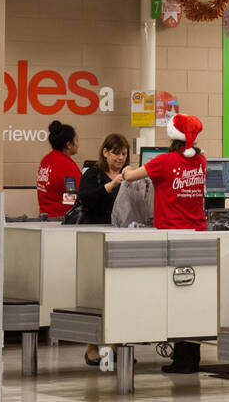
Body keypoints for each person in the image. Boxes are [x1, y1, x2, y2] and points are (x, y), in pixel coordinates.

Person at [121, 113, 207, 373]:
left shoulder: (163, 161)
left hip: (172, 237)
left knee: (177, 297)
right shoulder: (201, 160)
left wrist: (125, 169)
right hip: (197, 235)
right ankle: (191, 356)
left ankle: (182, 361)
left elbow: (130, 177)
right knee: (194, 299)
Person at [77, 133, 129, 367]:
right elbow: (86, 200)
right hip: (95, 237)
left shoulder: (129, 175)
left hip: (121, 238)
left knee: (120, 295)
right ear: (105, 152)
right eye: (116, 152)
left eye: (124, 153)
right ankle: (91, 347)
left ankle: (117, 345)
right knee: (97, 295)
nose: (120, 157)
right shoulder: (92, 175)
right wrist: (112, 184)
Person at [37, 120, 81, 219]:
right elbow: (73, 197)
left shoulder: (45, 160)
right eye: (77, 140)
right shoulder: (67, 166)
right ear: (69, 144)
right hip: (60, 219)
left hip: (44, 217)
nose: (78, 144)